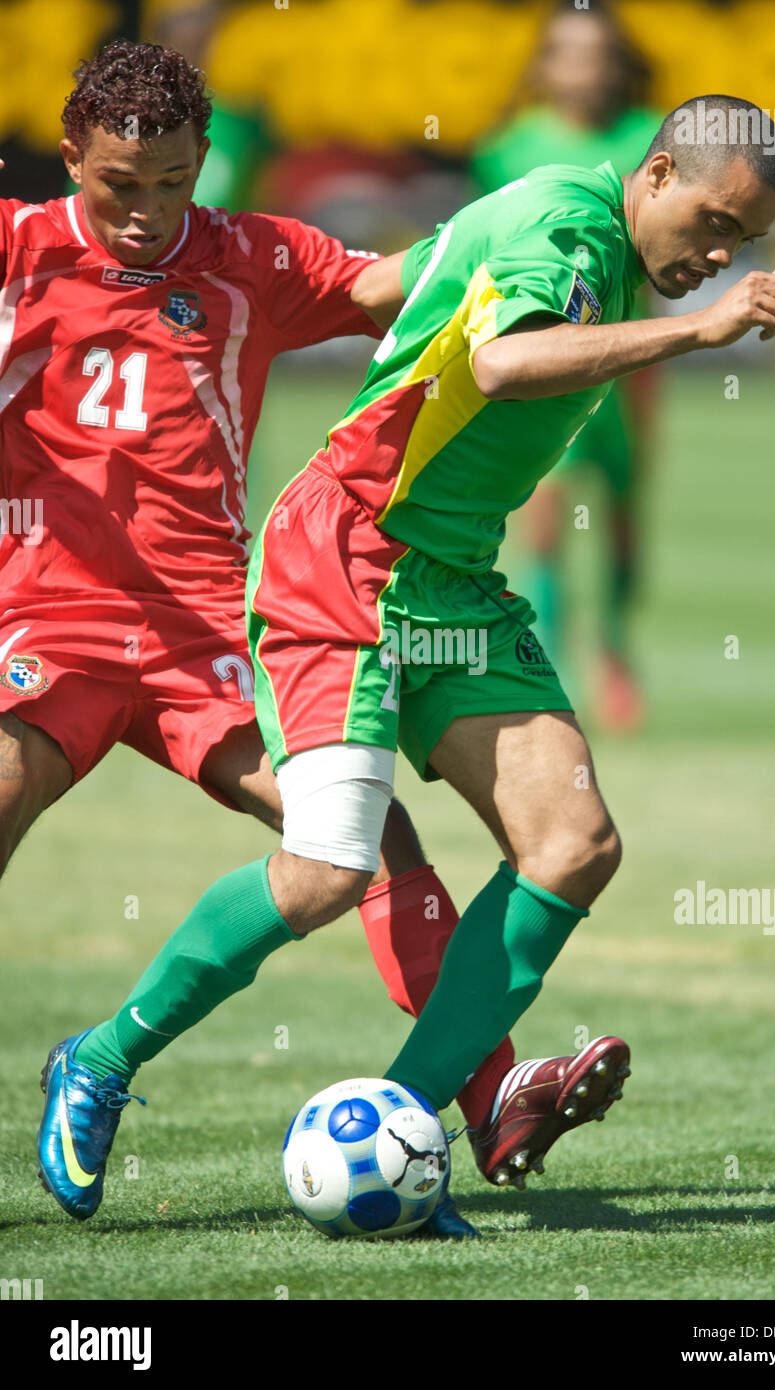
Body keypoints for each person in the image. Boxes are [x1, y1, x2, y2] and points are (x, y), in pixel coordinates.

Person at [38, 91, 775, 1227]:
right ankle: (98, 1059)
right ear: (653, 175)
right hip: (348, 554)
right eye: (711, 221)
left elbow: (420, 285)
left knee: (572, 843)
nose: (722, 253)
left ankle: (409, 1118)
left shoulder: (597, 234)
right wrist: (700, 329)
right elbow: (499, 363)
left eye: (745, 240)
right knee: (327, 869)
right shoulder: (567, 222)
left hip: (451, 581)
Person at [6, 40, 608, 1234]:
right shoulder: (16, 251)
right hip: (49, 625)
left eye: (173, 183)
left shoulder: (249, 258)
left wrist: (512, 218)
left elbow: (389, 284)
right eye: (123, 184)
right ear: (73, 153)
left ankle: (483, 1090)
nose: (146, 212)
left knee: (361, 842)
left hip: (208, 635)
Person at [473, 2, 661, 726]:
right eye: (566, 53)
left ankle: (613, 645)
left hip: (629, 358)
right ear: (544, 65)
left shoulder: (646, 140)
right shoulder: (507, 146)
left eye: (595, 54)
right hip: (544, 358)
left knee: (621, 508)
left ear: (617, 64)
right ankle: (550, 655)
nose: (581, 68)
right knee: (545, 512)